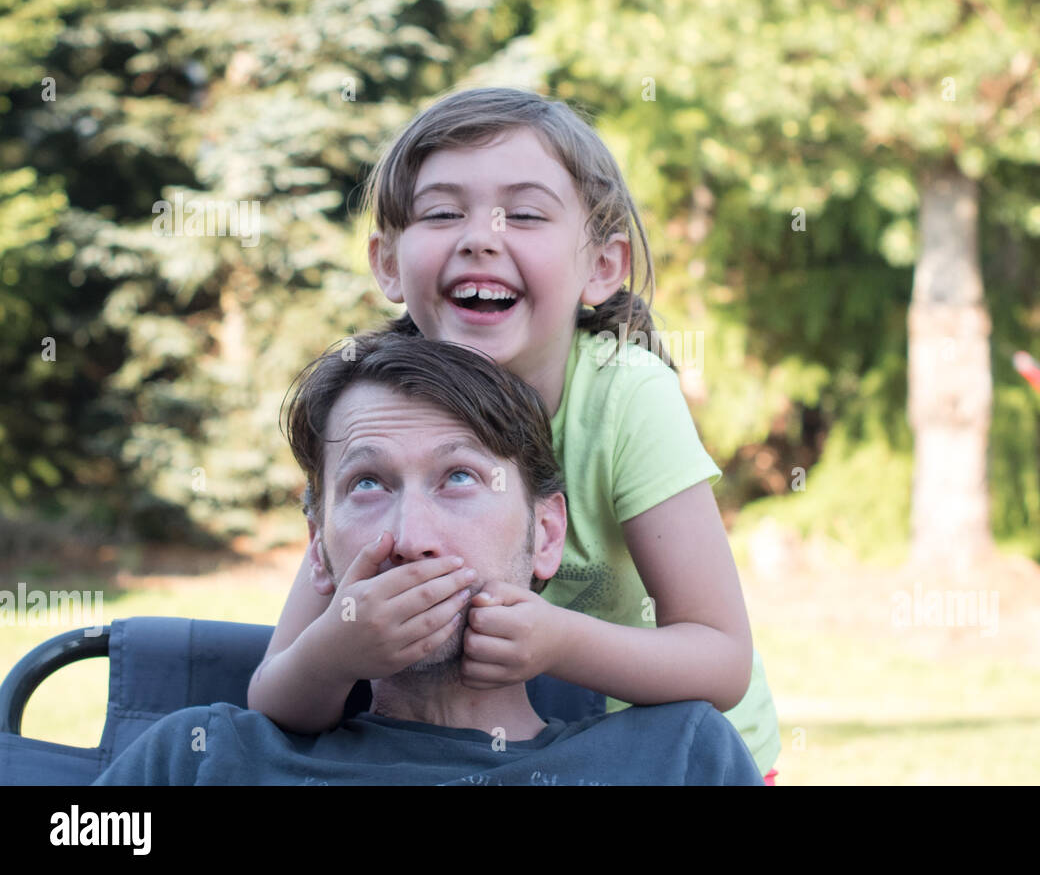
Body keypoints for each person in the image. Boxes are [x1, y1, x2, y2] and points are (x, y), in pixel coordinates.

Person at [247, 86, 780, 781]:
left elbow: (720, 660)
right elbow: (274, 693)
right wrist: (337, 650)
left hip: (670, 760)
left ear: (603, 265)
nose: (480, 236)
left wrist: (556, 641)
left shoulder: (628, 397)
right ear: (386, 262)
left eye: (524, 214)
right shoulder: (385, 413)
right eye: (442, 212)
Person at [94, 332, 762, 785]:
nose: (412, 536)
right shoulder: (198, 759)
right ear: (318, 549)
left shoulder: (675, 758)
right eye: (367, 483)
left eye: (461, 478)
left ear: (548, 531)